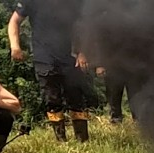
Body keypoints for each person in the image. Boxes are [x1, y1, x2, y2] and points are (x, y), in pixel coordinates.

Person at [8, 0, 97, 142]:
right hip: (44, 57)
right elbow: (14, 21)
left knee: (76, 97)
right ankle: (61, 141)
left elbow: (85, 27)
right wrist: (15, 46)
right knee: (52, 99)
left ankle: (83, 140)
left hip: (72, 56)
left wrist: (83, 52)